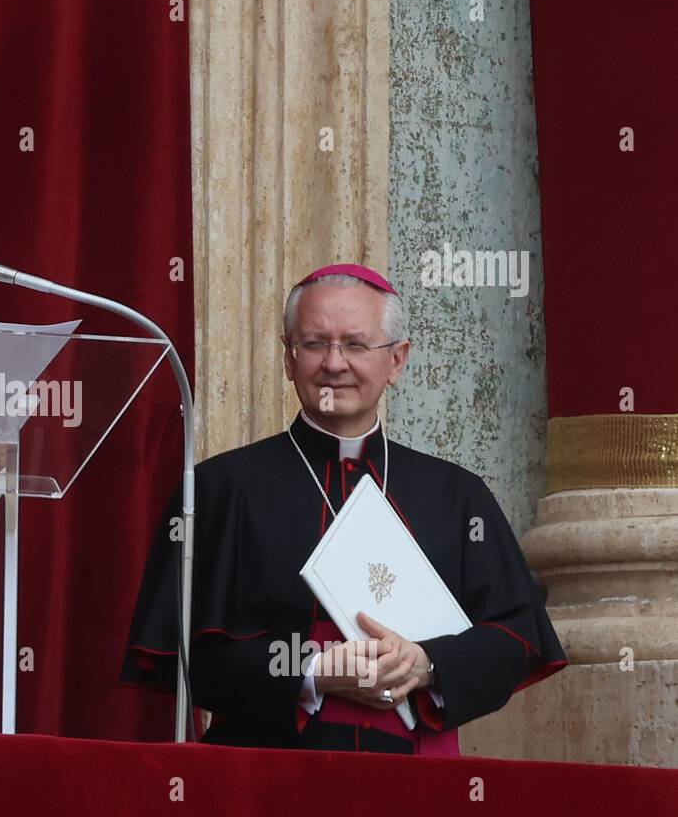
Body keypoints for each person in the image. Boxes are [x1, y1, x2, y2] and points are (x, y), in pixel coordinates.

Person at [122, 264, 565, 754]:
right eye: (314, 343)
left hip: (416, 788)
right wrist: (312, 671)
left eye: (355, 344)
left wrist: (426, 663)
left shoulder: (458, 496)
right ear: (289, 358)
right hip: (262, 784)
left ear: (397, 360)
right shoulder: (218, 490)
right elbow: (180, 658)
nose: (334, 363)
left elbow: (517, 638)